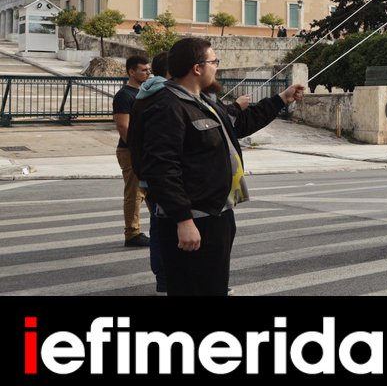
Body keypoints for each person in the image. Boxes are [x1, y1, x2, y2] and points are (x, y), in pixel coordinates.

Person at [139, 38, 303, 296]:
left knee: (213, 287)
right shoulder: (168, 106)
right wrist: (183, 219)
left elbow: (242, 122)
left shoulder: (203, 101)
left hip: (216, 214)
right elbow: (162, 168)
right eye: (214, 62)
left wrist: (282, 99)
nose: (216, 67)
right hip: (195, 219)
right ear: (197, 67)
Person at [128, 52, 170, 292]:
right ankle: (167, 279)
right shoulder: (166, 97)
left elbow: (136, 139)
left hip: (148, 173)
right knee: (166, 228)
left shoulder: (144, 95)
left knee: (158, 227)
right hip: (161, 176)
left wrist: (143, 176)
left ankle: (163, 279)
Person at [113, 55, 152, 247]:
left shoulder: (145, 93)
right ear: (131, 72)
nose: (148, 72)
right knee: (135, 192)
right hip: (130, 151)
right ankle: (132, 232)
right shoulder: (124, 95)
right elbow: (123, 126)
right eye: (144, 70)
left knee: (150, 190)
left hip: (145, 150)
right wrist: (138, 149)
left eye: (149, 69)